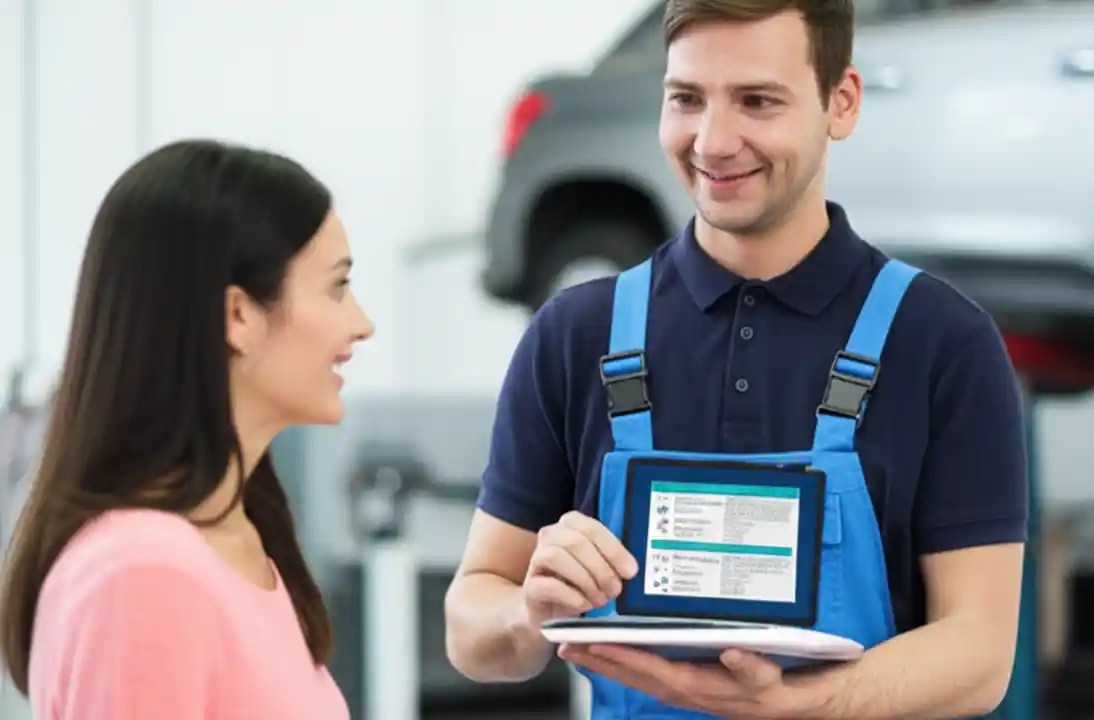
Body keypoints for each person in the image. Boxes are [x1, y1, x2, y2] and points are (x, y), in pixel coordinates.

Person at [445, 0, 1029, 718]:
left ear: (840, 103)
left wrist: (803, 707)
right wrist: (527, 611)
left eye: (757, 101)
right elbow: (470, 625)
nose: (714, 141)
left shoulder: (942, 342)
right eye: (687, 99)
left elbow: (980, 654)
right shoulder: (575, 335)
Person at [0, 138, 373, 719]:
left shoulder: (237, 544)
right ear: (238, 315)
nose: (361, 324)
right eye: (337, 287)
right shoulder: (144, 575)